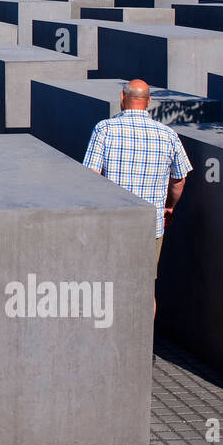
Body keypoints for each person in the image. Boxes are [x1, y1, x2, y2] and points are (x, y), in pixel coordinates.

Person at [82, 79, 192, 318]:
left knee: (107, 284)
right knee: (144, 287)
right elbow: (179, 180)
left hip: (112, 223)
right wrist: (169, 208)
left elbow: (90, 175)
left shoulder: (105, 129)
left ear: (122, 99)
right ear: (149, 102)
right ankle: (144, 347)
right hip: (150, 225)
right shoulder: (168, 135)